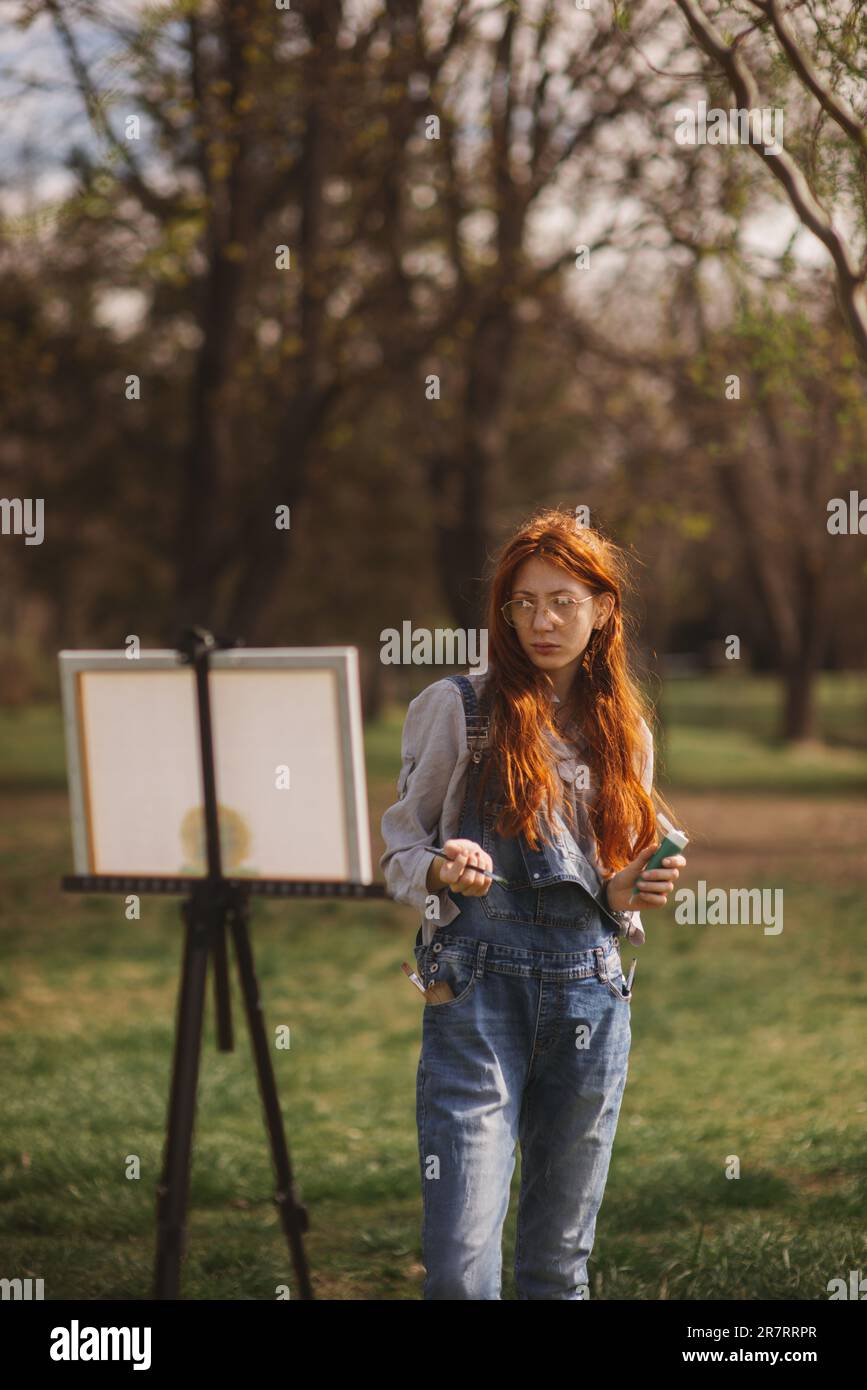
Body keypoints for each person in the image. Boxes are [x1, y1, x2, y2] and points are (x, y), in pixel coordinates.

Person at [380, 508, 687, 1300]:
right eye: (522, 603)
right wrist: (444, 870)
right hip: (475, 993)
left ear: (603, 608)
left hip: (591, 993)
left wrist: (629, 890)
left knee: (556, 1267)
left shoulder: (625, 730)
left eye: (562, 601)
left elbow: (613, 886)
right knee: (458, 1264)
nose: (540, 622)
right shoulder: (460, 708)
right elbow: (397, 853)